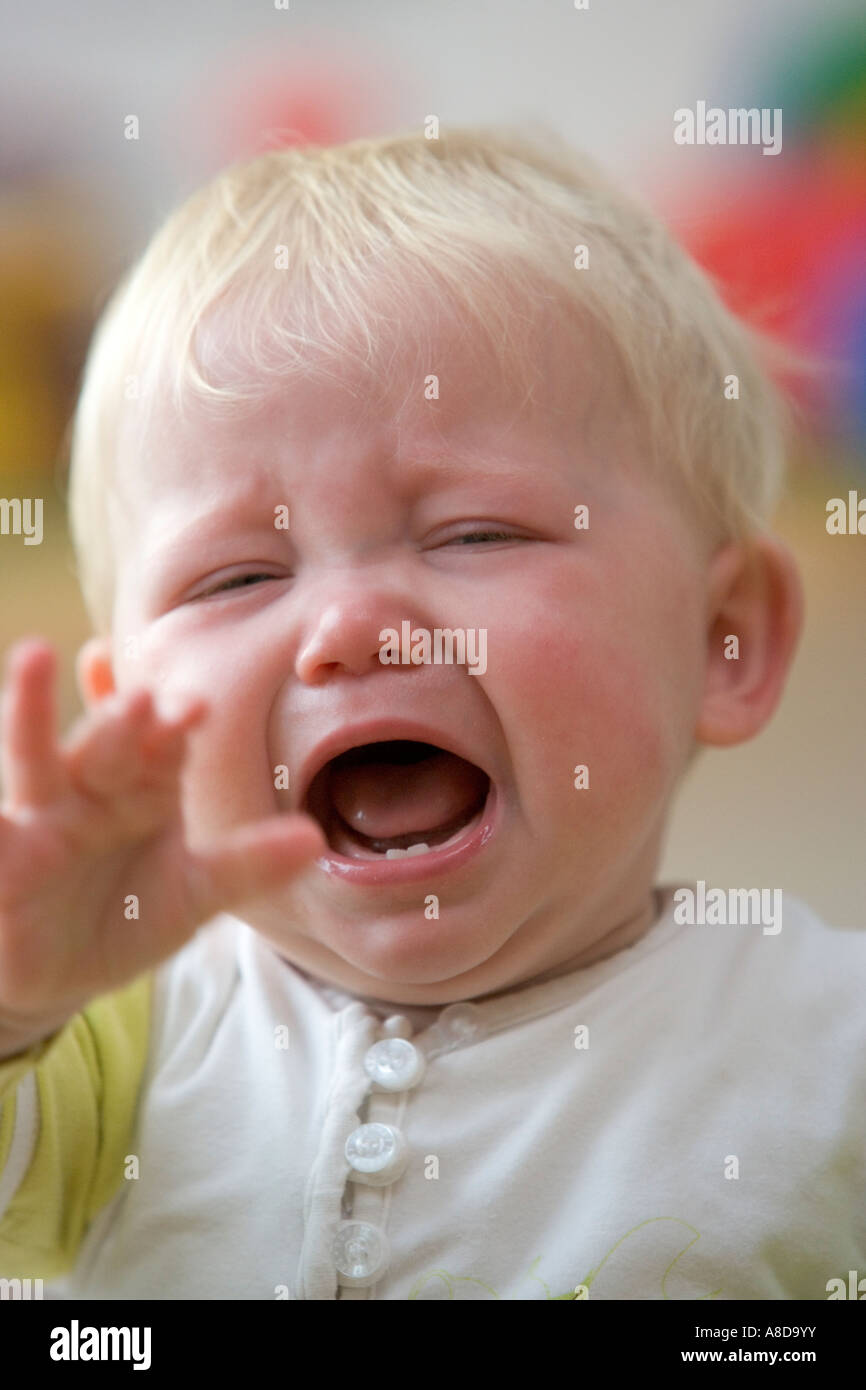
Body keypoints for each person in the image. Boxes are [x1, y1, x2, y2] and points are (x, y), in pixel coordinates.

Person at [1, 126, 863, 1300]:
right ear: (125, 716)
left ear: (723, 640)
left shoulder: (827, 1051)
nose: (347, 627)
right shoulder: (107, 1039)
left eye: (475, 532)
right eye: (236, 577)